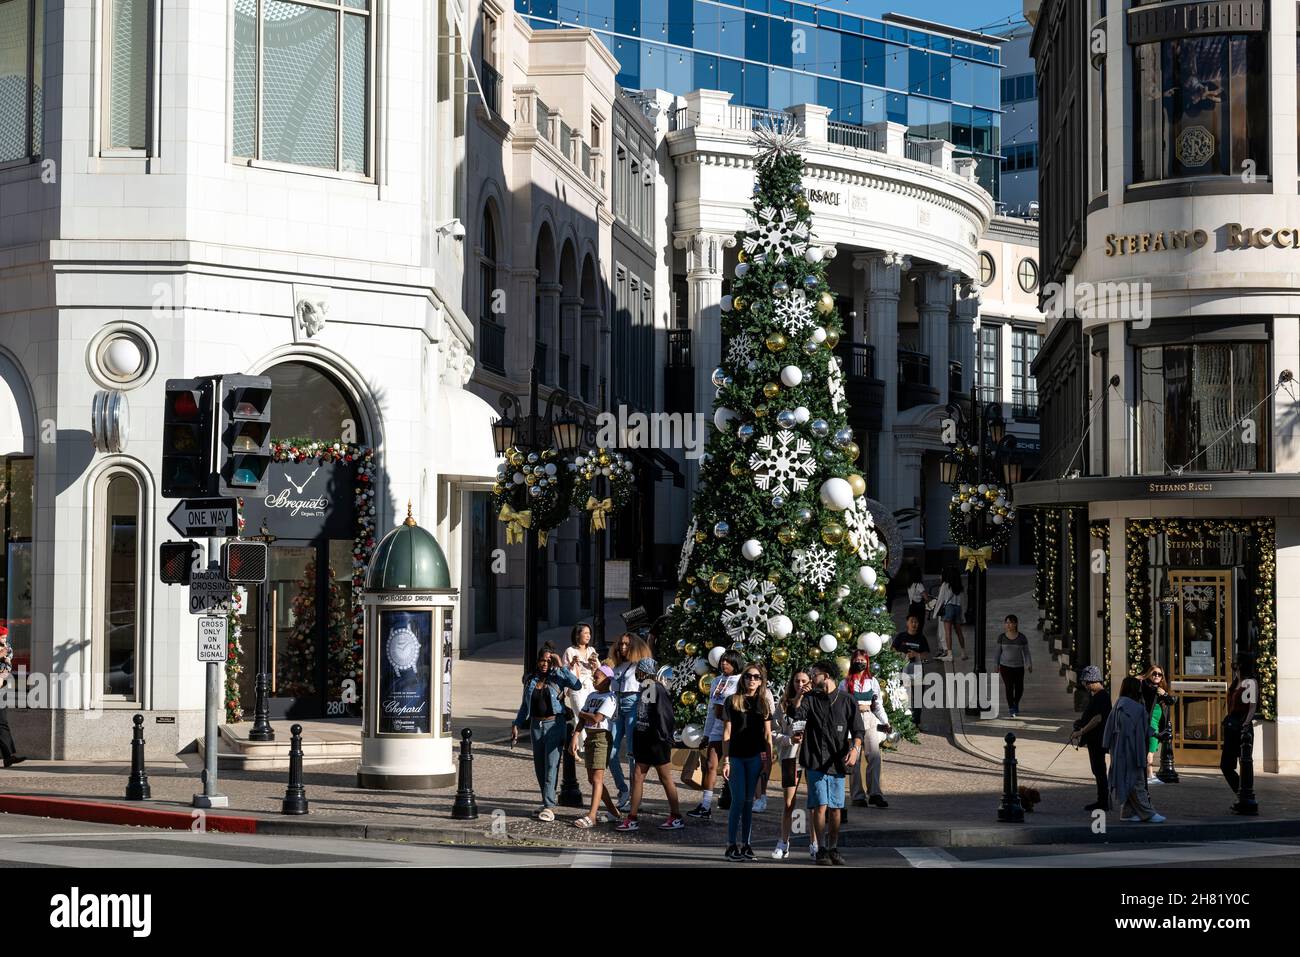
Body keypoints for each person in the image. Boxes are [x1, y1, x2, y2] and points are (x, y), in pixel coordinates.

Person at [791, 659, 863, 865]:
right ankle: (820, 848)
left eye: (815, 674)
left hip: (837, 761)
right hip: (814, 760)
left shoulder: (847, 700)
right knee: (820, 805)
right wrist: (799, 695)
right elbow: (797, 715)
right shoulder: (810, 698)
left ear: (827, 676)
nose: (811, 677)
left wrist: (855, 749)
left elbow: (858, 730)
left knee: (836, 808)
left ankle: (833, 848)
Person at [511, 644, 580, 821]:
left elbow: (577, 685)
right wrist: (516, 724)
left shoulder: (558, 676)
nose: (545, 664)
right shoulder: (530, 679)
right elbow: (525, 705)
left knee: (551, 766)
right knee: (539, 767)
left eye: (548, 661)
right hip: (536, 725)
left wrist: (560, 665)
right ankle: (546, 801)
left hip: (555, 724)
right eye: (543, 660)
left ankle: (549, 806)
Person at [616, 657, 685, 832]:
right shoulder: (646, 687)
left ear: (645, 672)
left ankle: (676, 816)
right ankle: (632, 818)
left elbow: (663, 715)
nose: (637, 674)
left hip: (656, 741)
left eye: (639, 670)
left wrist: (663, 738)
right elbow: (643, 717)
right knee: (638, 776)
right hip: (645, 740)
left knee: (665, 778)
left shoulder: (654, 688)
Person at [721, 664, 774, 861]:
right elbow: (727, 732)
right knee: (738, 799)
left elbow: (767, 734)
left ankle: (746, 844)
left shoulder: (763, 703)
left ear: (761, 681)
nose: (752, 680)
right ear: (743, 679)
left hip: (755, 757)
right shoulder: (732, 701)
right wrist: (725, 761)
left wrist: (768, 760)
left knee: (749, 802)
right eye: (748, 676)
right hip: (735, 756)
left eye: (756, 677)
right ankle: (730, 844)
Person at [688, 649, 744, 820]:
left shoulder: (741, 681)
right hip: (717, 729)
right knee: (711, 765)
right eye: (722, 661)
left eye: (727, 661)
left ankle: (737, 803)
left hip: (734, 730)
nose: (724, 664)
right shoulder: (716, 681)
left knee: (734, 768)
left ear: (735, 663)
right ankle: (705, 805)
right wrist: (706, 734)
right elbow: (712, 710)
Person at [1103, 675, 1165, 823]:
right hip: (1132, 749)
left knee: (1127, 779)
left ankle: (1128, 812)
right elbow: (1143, 728)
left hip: (1119, 749)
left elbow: (1109, 728)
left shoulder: (1119, 704)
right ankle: (1148, 813)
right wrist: (1157, 734)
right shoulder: (1136, 707)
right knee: (1136, 781)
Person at [571, 664, 622, 828]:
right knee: (592, 780)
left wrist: (583, 713)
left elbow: (596, 718)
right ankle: (614, 812)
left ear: (607, 680)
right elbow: (584, 719)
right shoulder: (592, 695)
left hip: (601, 738)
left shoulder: (611, 698)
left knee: (597, 779)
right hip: (589, 737)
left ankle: (591, 816)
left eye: (597, 677)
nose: (594, 679)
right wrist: (575, 735)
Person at [842, 648, 890, 808]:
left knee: (874, 756)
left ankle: (875, 793)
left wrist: (885, 721)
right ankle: (857, 796)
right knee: (854, 759)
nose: (860, 662)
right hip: (852, 720)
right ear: (852, 661)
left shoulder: (872, 682)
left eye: (863, 660)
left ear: (867, 662)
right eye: (857, 659)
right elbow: (842, 706)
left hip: (869, 718)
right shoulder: (845, 682)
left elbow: (878, 706)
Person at [771, 670, 811, 860]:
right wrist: (789, 740)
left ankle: (815, 844)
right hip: (790, 758)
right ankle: (783, 842)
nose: (800, 684)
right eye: (797, 681)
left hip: (812, 758)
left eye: (804, 681)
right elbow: (772, 733)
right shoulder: (783, 704)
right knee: (789, 803)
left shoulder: (814, 702)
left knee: (815, 804)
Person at [608, 632, 649, 811]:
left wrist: (645, 714)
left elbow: (649, 690)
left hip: (633, 704)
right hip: (616, 705)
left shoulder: (640, 665)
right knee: (610, 752)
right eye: (620, 644)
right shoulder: (616, 664)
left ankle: (635, 795)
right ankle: (623, 790)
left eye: (626, 644)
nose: (622, 647)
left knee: (632, 754)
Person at [1072, 665, 1111, 811]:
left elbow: (1098, 718)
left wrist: (1081, 731)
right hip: (1095, 739)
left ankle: (1103, 802)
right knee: (1097, 770)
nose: (1085, 686)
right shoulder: (1097, 696)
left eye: (1086, 683)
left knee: (1099, 770)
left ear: (1093, 681)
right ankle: (1102, 800)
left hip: (1098, 740)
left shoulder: (1101, 696)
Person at [1222, 655, 1258, 813]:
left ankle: (1247, 799)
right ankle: (1243, 796)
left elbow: (1252, 706)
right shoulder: (1236, 681)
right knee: (1226, 766)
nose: (1232, 663)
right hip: (1231, 726)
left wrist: (1245, 725)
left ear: (1243, 664)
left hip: (1242, 727)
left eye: (1236, 661)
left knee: (1244, 763)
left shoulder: (1250, 682)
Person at [893, 614, 930, 728]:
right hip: (903, 669)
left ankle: (916, 722)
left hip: (917, 669)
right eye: (912, 621)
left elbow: (926, 655)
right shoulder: (901, 636)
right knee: (902, 695)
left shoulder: (921, 638)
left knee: (918, 697)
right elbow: (892, 650)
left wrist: (916, 654)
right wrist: (902, 655)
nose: (914, 624)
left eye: (916, 622)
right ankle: (902, 720)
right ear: (907, 623)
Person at [562, 622, 601, 721]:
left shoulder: (591, 650)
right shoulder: (570, 651)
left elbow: (599, 670)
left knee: (592, 713)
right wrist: (572, 663)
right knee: (580, 715)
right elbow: (563, 671)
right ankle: (581, 736)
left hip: (591, 686)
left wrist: (594, 664)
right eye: (586, 633)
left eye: (589, 633)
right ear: (578, 635)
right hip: (576, 686)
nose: (588, 636)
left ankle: (589, 736)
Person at [995, 615, 1032, 717]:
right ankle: (1011, 707)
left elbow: (1026, 652)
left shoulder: (1022, 638)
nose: (1008, 625)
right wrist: (996, 665)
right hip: (1005, 667)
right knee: (1009, 687)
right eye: (1006, 623)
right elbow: (997, 653)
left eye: (1010, 623)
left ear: (1015, 624)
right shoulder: (1001, 637)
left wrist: (1028, 664)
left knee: (1019, 688)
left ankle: (1016, 703)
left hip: (1019, 667)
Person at [1140, 665, 1171, 784]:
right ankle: (1149, 775)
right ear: (1149, 674)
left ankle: (1148, 775)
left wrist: (1164, 694)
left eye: (1159, 674)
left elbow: (1172, 701)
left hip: (1158, 724)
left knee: (1151, 749)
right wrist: (1142, 678)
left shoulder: (1160, 689)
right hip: (1150, 723)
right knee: (1150, 750)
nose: (1157, 676)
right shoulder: (1147, 686)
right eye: (1154, 674)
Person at [0, 626, 25, 768]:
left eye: (5, 637)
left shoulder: (7, 647)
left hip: (1, 686)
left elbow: (8, 663)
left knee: (2, 722)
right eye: (2, 637)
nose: (4, 639)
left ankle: (8, 756)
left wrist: (2, 677)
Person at [934, 565, 967, 660]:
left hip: (948, 609)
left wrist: (935, 613)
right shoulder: (960, 587)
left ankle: (950, 654)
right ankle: (963, 652)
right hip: (958, 609)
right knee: (959, 632)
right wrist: (963, 616)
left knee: (948, 632)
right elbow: (963, 602)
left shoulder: (945, 585)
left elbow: (940, 600)